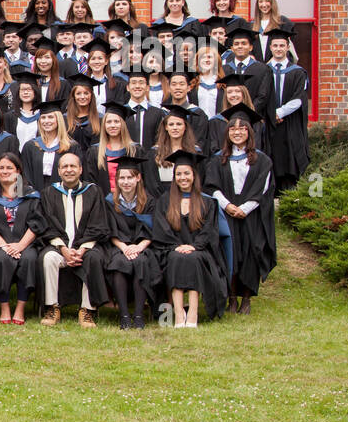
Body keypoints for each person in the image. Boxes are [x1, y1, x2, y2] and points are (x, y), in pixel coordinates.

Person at [204, 106, 276, 314]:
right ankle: (232, 299)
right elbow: (211, 186)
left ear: (249, 132)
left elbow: (264, 189)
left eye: (242, 128)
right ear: (227, 133)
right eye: (232, 129)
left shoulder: (262, 160)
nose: (237, 132)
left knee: (252, 254)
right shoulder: (218, 159)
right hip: (226, 214)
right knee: (230, 254)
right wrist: (227, 205)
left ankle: (246, 299)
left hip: (251, 215)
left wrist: (244, 208)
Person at [151, 150, 228, 326]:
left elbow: (209, 231)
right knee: (177, 257)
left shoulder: (206, 202)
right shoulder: (165, 201)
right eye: (178, 174)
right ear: (174, 177)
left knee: (192, 258)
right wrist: (176, 246)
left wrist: (194, 246)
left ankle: (192, 313)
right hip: (171, 249)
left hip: (200, 250)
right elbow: (161, 229)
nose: (182, 177)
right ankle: (179, 314)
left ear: (194, 175)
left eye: (186, 173)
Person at [38, 151, 111, 327]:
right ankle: (52, 307)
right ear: (59, 170)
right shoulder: (48, 193)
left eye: (73, 166)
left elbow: (98, 224)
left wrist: (81, 250)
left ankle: (87, 310)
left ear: (80, 169)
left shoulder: (93, 191)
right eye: (65, 166)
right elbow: (47, 225)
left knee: (93, 258)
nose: (69, 170)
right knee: (47, 258)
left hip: (85, 248)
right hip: (59, 247)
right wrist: (63, 249)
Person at [0, 152, 45, 324]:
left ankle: (20, 308)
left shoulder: (30, 194)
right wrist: (5, 246)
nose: (5, 171)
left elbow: (35, 224)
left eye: (9, 168)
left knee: (29, 258)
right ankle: (4, 306)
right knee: (0, 259)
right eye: (1, 168)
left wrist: (21, 245)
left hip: (25, 243)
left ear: (18, 171)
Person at [103, 155, 160, 329]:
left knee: (141, 262)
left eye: (130, 177)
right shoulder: (110, 201)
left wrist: (139, 247)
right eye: (122, 178)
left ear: (138, 178)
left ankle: (139, 316)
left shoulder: (149, 202)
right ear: (117, 180)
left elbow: (154, 230)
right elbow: (108, 230)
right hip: (118, 247)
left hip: (144, 247)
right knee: (119, 263)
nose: (126, 182)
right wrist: (124, 247)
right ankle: (124, 316)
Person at [261, 27, 310, 192]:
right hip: (269, 126)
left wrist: (278, 113)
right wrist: (270, 115)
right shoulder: (262, 70)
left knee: (290, 163)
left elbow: (299, 99)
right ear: (270, 48)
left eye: (282, 45)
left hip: (290, 125)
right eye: (275, 46)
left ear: (288, 47)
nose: (278, 49)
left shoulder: (297, 72)